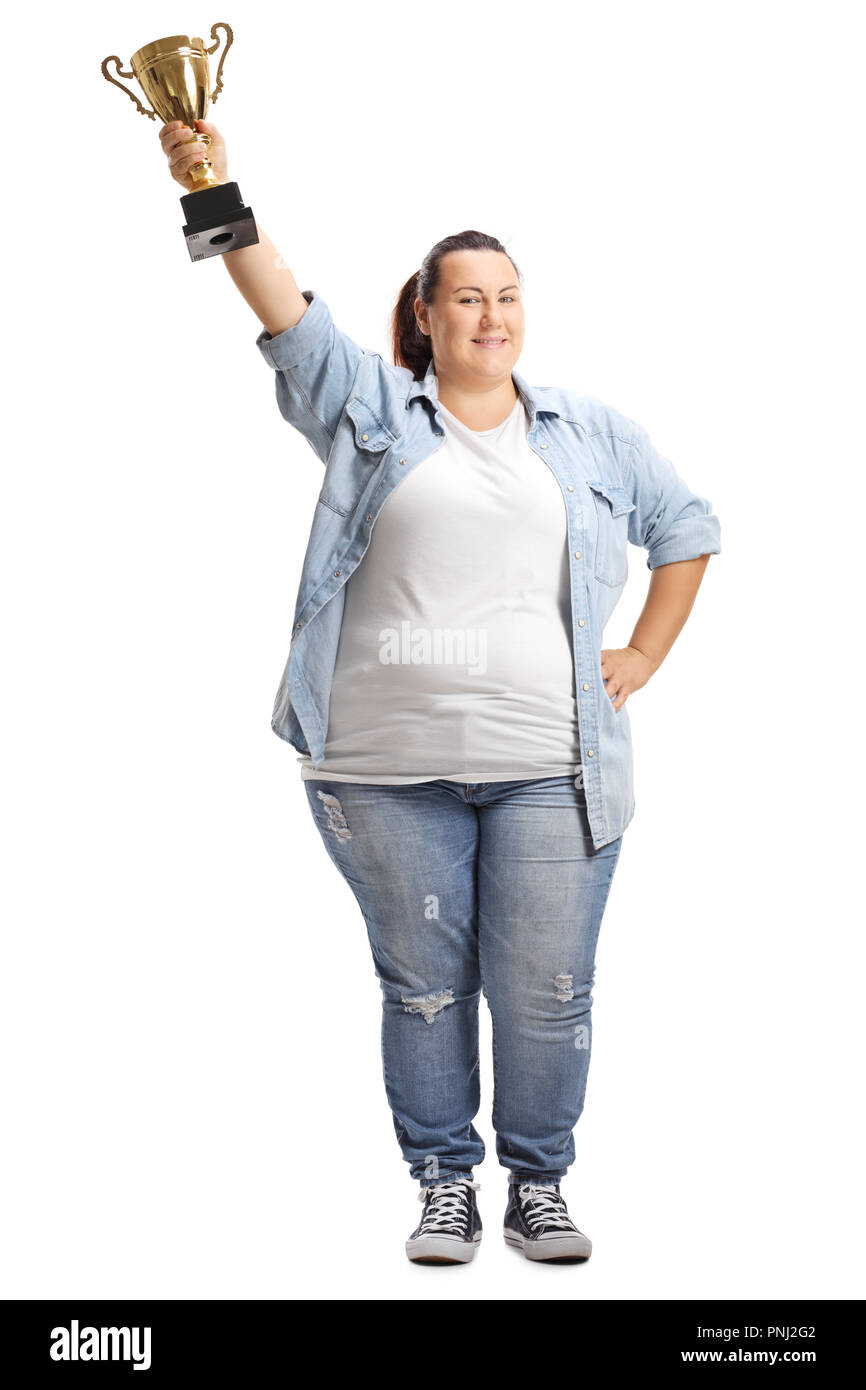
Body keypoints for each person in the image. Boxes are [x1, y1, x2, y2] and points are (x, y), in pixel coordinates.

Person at [160, 118, 722, 1266]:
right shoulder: (368, 409)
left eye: (507, 294)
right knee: (423, 991)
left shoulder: (588, 433)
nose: (491, 315)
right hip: (381, 774)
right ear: (424, 313)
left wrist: (645, 654)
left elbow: (688, 530)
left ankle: (539, 1184)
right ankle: (441, 1183)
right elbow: (278, 307)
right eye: (465, 297)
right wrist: (210, 186)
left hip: (553, 769)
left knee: (547, 995)